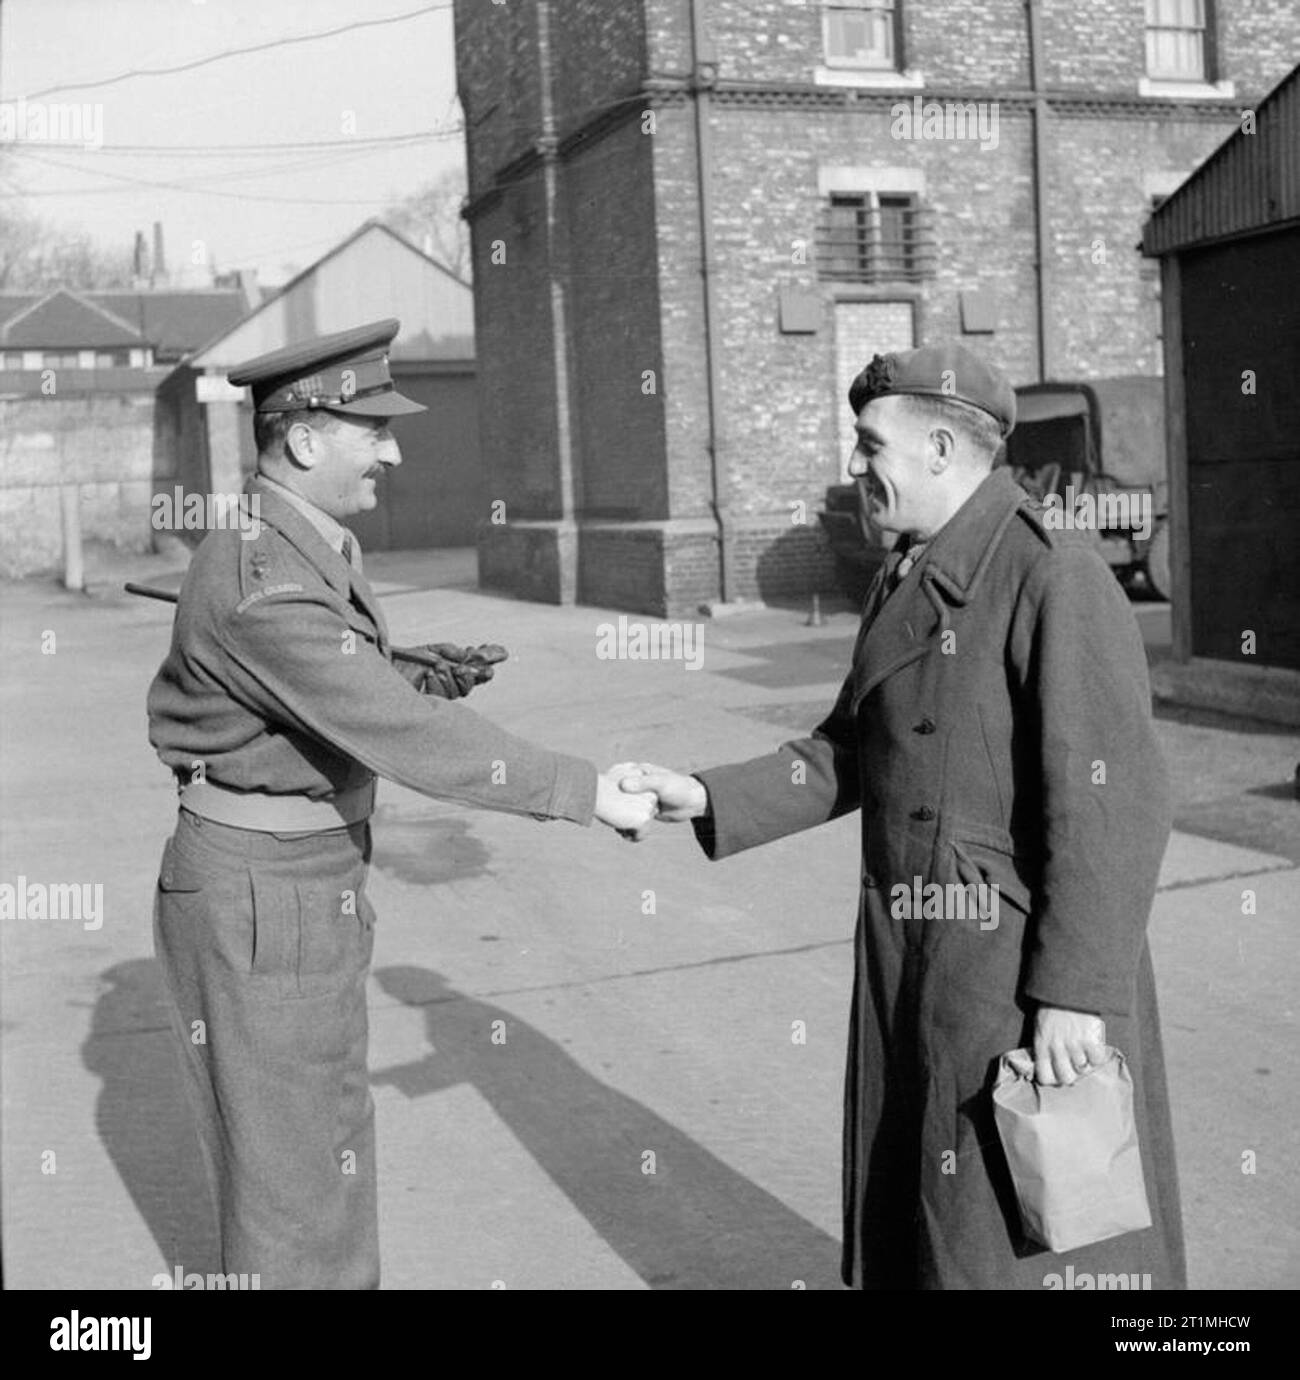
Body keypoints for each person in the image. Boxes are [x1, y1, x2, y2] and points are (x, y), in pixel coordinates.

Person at [623, 343, 1186, 1289]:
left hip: (1005, 975)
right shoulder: (911, 572)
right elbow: (852, 743)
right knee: (935, 1219)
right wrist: (708, 794)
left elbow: (1113, 799)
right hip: (917, 959)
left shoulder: (1052, 574)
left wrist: (1076, 996)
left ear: (938, 448)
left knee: (1028, 1236)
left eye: (867, 443)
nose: (854, 465)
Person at [147, 319, 654, 1289]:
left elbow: (320, 689)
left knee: (323, 1139)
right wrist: (587, 792)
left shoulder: (293, 543)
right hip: (264, 894)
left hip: (297, 884)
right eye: (369, 428)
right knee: (292, 1185)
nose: (393, 448)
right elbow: (403, 737)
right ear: (301, 439)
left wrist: (401, 673)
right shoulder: (265, 577)